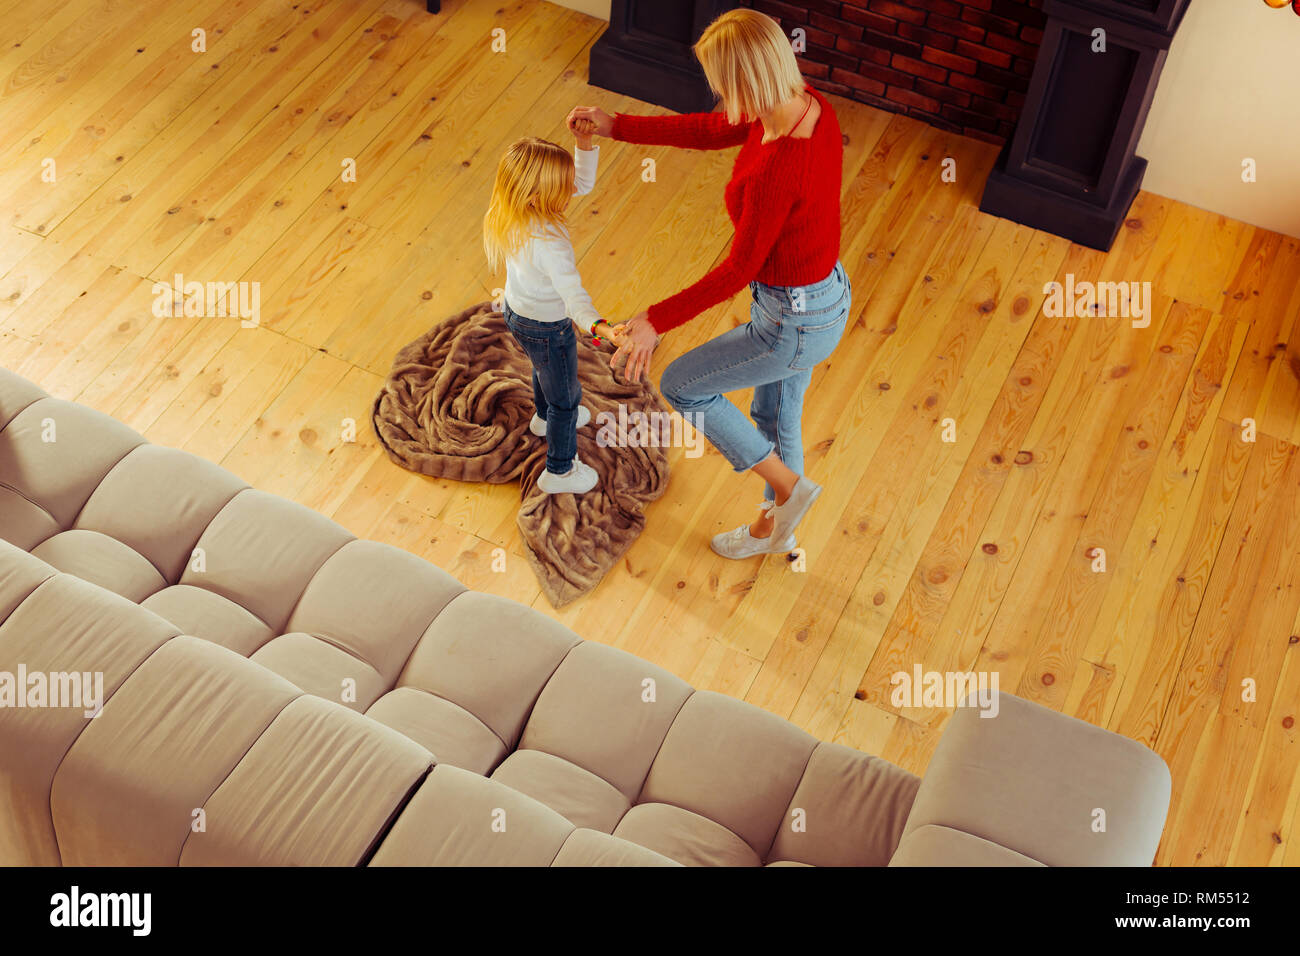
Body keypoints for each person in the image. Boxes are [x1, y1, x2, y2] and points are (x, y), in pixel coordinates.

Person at [567, 8, 851, 557]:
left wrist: (655, 319)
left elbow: (737, 270)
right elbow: (707, 129)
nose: (717, 93)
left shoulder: (777, 168)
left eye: (721, 82)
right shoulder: (806, 105)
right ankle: (775, 531)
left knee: (683, 386)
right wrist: (616, 125)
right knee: (775, 417)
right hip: (823, 299)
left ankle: (790, 492)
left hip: (792, 321)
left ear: (748, 79)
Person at [483, 120, 624, 494]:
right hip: (548, 325)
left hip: (517, 313)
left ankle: (543, 418)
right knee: (567, 397)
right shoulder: (550, 244)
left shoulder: (512, 210)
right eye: (564, 187)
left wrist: (583, 142)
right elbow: (573, 296)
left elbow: (582, 184)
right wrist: (601, 327)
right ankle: (560, 470)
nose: (573, 190)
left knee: (541, 367)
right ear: (537, 196)